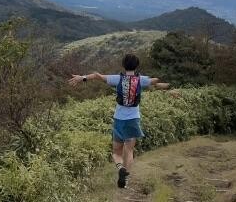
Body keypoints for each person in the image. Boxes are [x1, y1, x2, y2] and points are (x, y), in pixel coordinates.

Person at [69, 53, 176, 188]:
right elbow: (155, 81)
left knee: (116, 152)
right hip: (133, 120)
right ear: (137, 66)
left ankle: (121, 169)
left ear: (123, 65)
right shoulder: (141, 80)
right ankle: (125, 179)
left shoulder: (117, 79)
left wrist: (82, 78)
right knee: (129, 151)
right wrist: (162, 81)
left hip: (118, 119)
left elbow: (97, 76)